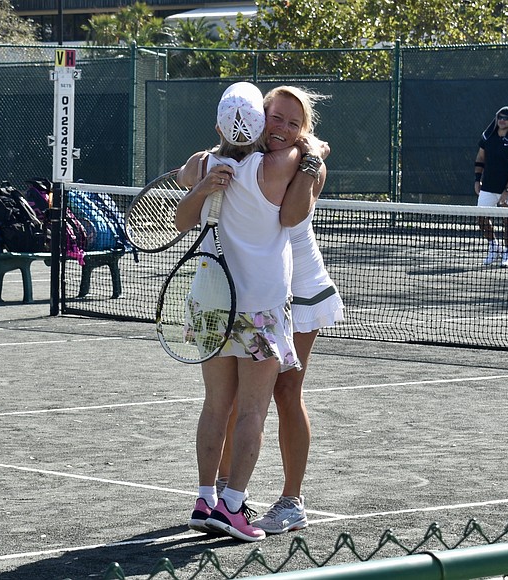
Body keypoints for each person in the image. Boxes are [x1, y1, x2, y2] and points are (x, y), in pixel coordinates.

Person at [183, 86, 341, 537]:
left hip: (299, 290)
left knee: (285, 395)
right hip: (248, 297)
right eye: (276, 118)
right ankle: (227, 499)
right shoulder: (244, 159)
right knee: (233, 403)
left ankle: (290, 500)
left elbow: (291, 216)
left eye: (295, 124)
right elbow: (200, 167)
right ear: (259, 116)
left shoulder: (303, 164)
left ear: (304, 131)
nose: (283, 128)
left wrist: (312, 158)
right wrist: (208, 163)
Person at [474, 106, 508, 269]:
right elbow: (480, 157)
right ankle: (494, 245)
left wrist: (507, 190)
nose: (502, 120)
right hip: (488, 186)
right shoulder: (488, 137)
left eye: (506, 118)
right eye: (499, 117)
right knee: (481, 219)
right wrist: (477, 180)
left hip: (507, 190)